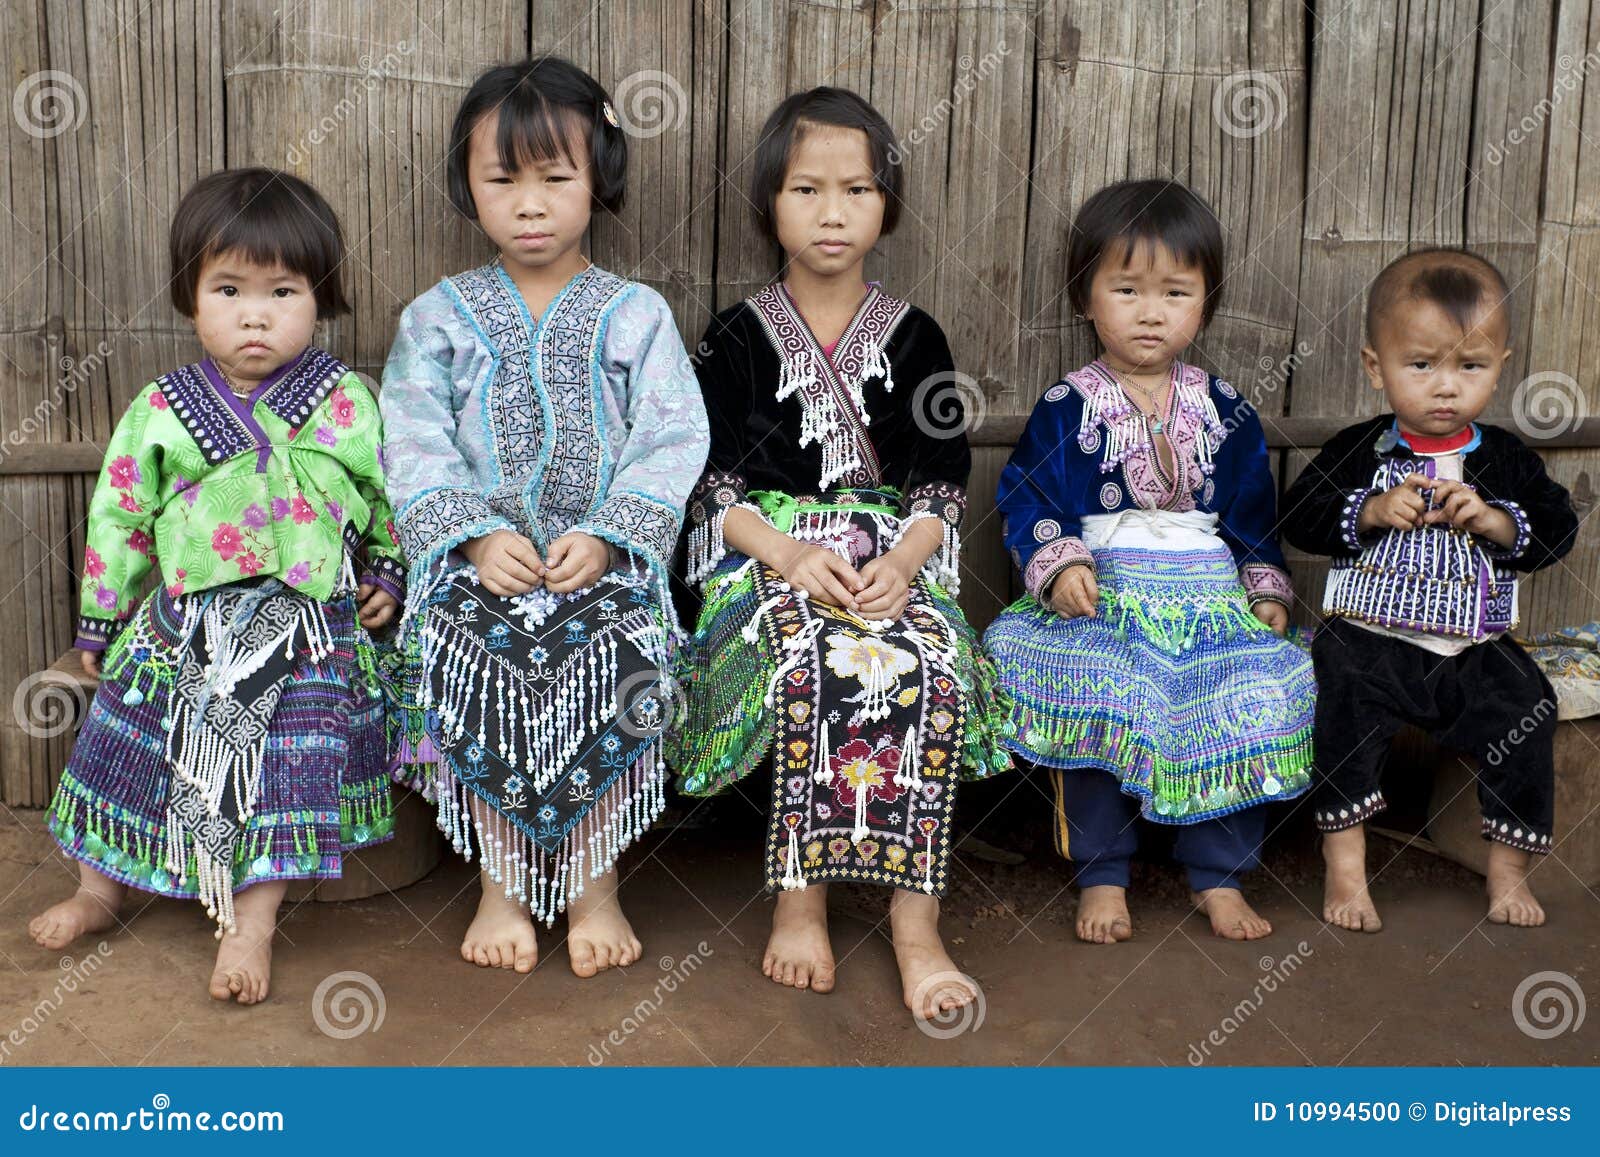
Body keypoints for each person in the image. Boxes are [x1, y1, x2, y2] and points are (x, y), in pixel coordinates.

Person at [667, 87, 1012, 1021]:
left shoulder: (918, 334)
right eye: (806, 189)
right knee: (811, 660)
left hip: (891, 556)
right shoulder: (734, 337)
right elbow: (710, 487)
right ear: (768, 205)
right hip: (764, 559)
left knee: (923, 663)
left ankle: (915, 923)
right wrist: (786, 556)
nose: (832, 212)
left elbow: (940, 483)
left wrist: (904, 563)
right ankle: (801, 898)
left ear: (885, 205)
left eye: (856, 190)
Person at [28, 169, 405, 1004]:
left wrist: (385, 567)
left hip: (307, 624)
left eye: (283, 291)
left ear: (321, 298)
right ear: (190, 297)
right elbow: (120, 512)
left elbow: (385, 495)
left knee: (290, 748)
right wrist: (101, 618)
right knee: (129, 722)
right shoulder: (162, 408)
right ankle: (98, 888)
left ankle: (252, 923)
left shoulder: (345, 401)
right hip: (186, 614)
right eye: (228, 290)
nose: (255, 315)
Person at [380, 57, 709, 978]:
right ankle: (503, 880)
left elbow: (673, 436)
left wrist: (608, 535)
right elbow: (411, 438)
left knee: (619, 644)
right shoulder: (436, 319)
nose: (530, 204)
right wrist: (475, 537)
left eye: (556, 178)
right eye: (503, 180)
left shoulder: (636, 315)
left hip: (603, 563)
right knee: (464, 643)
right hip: (474, 565)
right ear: (467, 186)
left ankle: (597, 878)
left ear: (599, 177)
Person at [985, 179, 1314, 944]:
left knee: (1253, 687)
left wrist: (1264, 589)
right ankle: (1102, 870)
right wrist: (1061, 566)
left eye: (1176, 292)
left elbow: (1251, 519)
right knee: (1097, 684)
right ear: (1086, 296)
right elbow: (1030, 496)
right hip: (1106, 600)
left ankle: (1219, 872)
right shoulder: (1067, 405)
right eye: (1126, 289)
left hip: (1209, 607)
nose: (1151, 311)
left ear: (1206, 303)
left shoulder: (1227, 410)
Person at [1282, 248, 1578, 931]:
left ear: (1501, 366)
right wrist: (1369, 510)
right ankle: (1346, 863)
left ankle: (1507, 870)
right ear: (1375, 366)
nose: (1446, 387)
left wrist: (1497, 521)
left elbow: (1558, 528)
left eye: (1470, 367)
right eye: (1421, 365)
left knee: (1527, 704)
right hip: (1371, 636)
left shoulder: (1504, 459)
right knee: (1342, 702)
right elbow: (1298, 516)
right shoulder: (1360, 450)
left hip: (1472, 645)